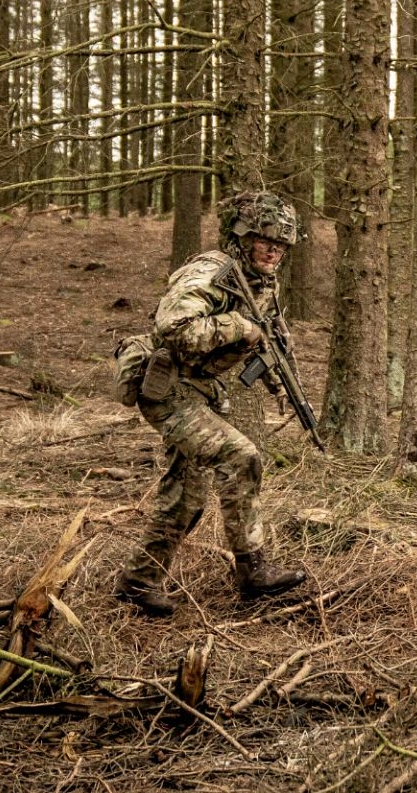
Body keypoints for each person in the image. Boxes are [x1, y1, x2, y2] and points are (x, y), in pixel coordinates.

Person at [115, 191, 309, 617]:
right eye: (265, 240)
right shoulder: (211, 271)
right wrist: (238, 326)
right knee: (241, 455)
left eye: (282, 245)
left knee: (186, 495)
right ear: (242, 236)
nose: (274, 250)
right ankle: (252, 570)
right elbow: (173, 327)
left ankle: (137, 583)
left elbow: (266, 333)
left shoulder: (260, 281)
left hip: (200, 389)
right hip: (166, 388)